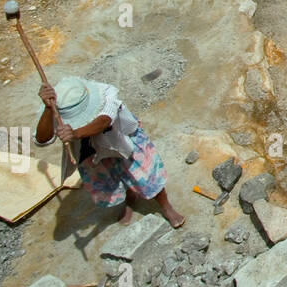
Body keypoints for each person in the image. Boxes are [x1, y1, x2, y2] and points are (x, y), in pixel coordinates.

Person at [35, 76, 185, 228]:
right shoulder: (58, 107)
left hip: (121, 141)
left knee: (145, 173)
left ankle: (166, 206)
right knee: (113, 176)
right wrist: (48, 108)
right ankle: (130, 196)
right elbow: (42, 139)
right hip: (92, 152)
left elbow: (104, 121)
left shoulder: (106, 94)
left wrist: (75, 133)